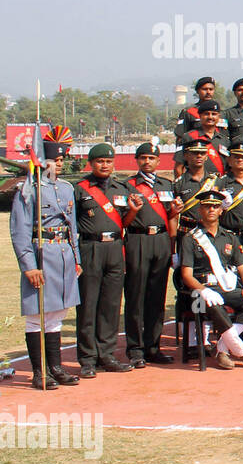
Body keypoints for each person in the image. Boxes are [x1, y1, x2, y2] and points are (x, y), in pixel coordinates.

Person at [12, 127, 82, 389]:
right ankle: (39, 371)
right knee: (36, 314)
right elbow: (19, 232)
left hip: (63, 254)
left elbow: (72, 228)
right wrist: (28, 266)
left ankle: (55, 367)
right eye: (55, 160)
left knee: (57, 315)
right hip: (42, 254)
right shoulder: (29, 190)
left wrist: (76, 259)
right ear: (42, 161)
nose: (60, 164)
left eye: (63, 160)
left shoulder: (65, 189)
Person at [74, 143, 143, 376]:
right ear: (91, 163)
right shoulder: (81, 189)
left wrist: (133, 210)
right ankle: (87, 359)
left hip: (115, 247)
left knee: (111, 304)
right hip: (90, 247)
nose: (105, 165)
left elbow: (124, 222)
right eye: (100, 161)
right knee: (88, 304)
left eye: (108, 161)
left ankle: (107, 354)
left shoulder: (121, 189)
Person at [177, 190, 243, 369]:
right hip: (200, 291)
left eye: (215, 206)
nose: (211, 209)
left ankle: (222, 350)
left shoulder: (230, 237)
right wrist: (203, 290)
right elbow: (186, 275)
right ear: (200, 210)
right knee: (214, 305)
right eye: (207, 206)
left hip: (225, 287)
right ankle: (242, 352)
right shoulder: (190, 239)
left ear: (221, 211)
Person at [123, 140, 177, 368]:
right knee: (136, 296)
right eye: (143, 158)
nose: (147, 162)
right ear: (137, 160)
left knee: (157, 296)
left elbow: (172, 217)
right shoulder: (127, 186)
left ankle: (153, 346)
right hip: (138, 239)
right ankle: (135, 349)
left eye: (151, 158)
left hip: (162, 240)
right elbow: (123, 219)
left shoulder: (166, 185)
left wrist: (172, 247)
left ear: (158, 161)